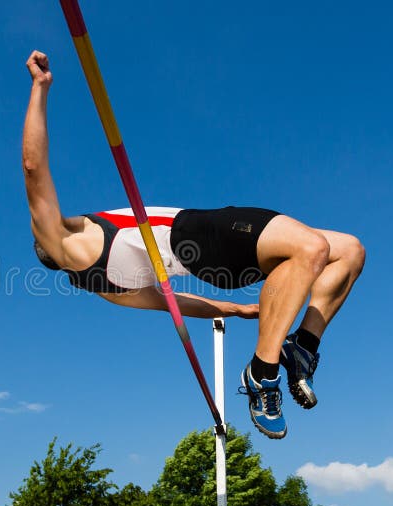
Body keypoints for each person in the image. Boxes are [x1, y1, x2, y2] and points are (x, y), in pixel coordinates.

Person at [22, 50, 365, 439]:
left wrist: (237, 310)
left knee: (348, 252)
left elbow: (177, 304)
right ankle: (262, 372)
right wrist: (40, 88)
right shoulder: (67, 243)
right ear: (49, 245)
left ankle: (302, 346)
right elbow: (33, 169)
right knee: (313, 248)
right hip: (201, 234)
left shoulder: (110, 290)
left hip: (218, 267)